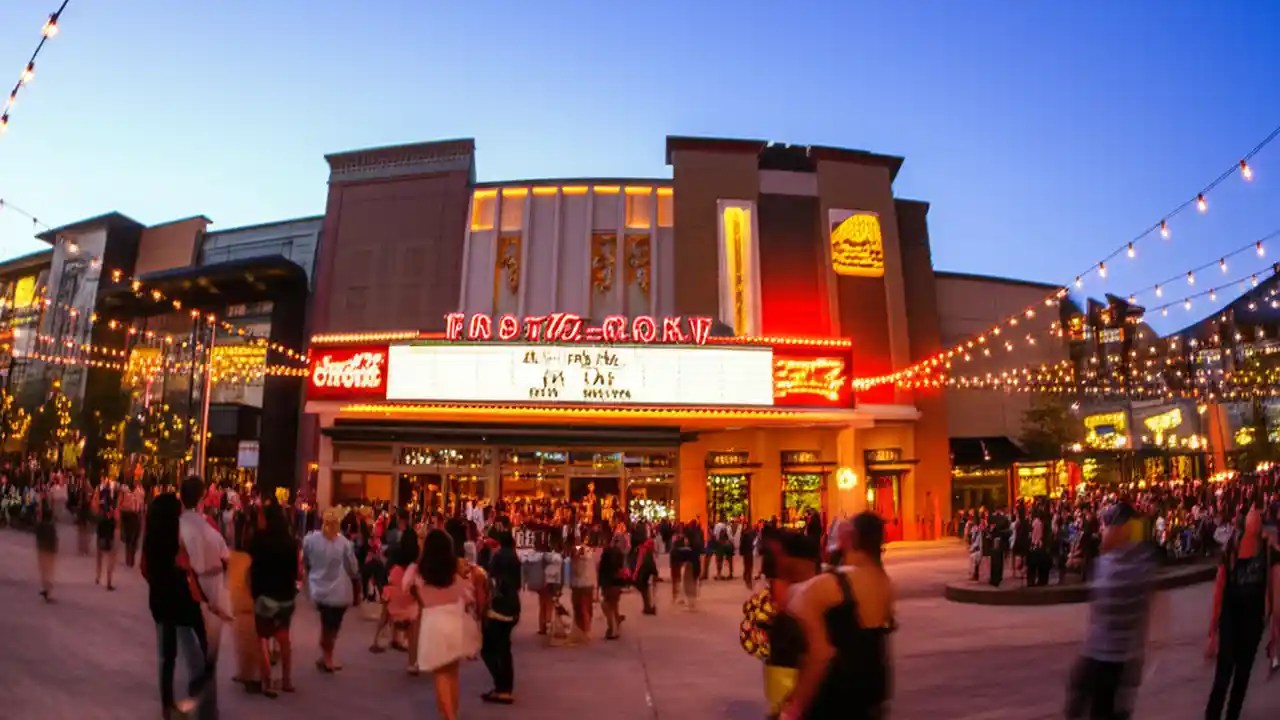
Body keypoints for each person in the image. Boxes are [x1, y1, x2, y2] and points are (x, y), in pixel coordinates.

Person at [782, 512, 894, 720]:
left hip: (835, 697)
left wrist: (794, 708)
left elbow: (821, 654)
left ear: (850, 537)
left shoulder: (830, 584)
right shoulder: (884, 582)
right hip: (872, 695)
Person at [1065, 501, 1164, 720]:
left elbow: (1102, 606)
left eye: (1109, 526)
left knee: (1096, 708)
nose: (1104, 530)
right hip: (1116, 657)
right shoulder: (1140, 562)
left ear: (1123, 529)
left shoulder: (1115, 565)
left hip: (1108, 658)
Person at [144, 492, 220, 720]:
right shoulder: (179, 535)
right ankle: (202, 701)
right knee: (203, 645)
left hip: (158, 598)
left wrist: (157, 582)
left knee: (166, 656)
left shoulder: (151, 537)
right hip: (181, 596)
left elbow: (144, 568)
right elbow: (187, 564)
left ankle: (167, 706)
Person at [1205, 500, 1272, 720]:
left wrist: (1273, 625)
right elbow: (1219, 589)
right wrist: (1213, 631)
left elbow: (1274, 589)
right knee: (1224, 676)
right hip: (1232, 618)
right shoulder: (1232, 548)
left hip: (1251, 621)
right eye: (1252, 512)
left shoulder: (1268, 549)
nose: (1256, 513)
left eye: (1258, 513)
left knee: (1240, 677)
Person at [411, 529, 472, 720]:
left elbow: (414, 593)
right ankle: (451, 714)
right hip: (455, 620)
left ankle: (449, 717)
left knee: (441, 675)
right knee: (453, 672)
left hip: (434, 623)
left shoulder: (420, 572)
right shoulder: (455, 572)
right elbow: (468, 596)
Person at [302, 506, 361, 673]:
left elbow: (306, 558)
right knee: (333, 625)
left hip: (319, 589)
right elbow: (353, 568)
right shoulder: (344, 544)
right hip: (339, 591)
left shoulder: (312, 540)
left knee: (326, 622)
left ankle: (325, 654)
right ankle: (328, 657)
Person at [249, 501, 298, 697]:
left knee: (262, 638)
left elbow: (253, 566)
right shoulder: (290, 541)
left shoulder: (259, 540)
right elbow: (295, 570)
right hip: (285, 596)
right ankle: (286, 680)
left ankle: (267, 680)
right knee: (284, 638)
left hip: (264, 596)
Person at [482, 530, 521, 704]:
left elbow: (493, 581)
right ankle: (505, 687)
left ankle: (501, 685)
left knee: (489, 648)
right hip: (513, 605)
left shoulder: (498, 557)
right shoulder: (514, 557)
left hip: (499, 606)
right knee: (504, 647)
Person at [227, 508, 263, 694]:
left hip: (245, 603)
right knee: (246, 637)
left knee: (246, 636)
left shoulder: (239, 557)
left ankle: (251, 675)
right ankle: (248, 673)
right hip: (250, 602)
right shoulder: (247, 553)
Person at [598, 533, 628, 639]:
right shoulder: (619, 552)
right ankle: (616, 623)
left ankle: (612, 628)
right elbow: (621, 566)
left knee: (606, 604)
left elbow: (602, 568)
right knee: (614, 604)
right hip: (617, 581)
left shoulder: (606, 553)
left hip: (608, 581)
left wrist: (599, 583)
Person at [35, 483, 58, 602]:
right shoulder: (47, 506)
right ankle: (47, 589)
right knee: (47, 566)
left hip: (45, 536)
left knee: (45, 565)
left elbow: (39, 518)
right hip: (48, 536)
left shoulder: (43, 507)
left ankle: (47, 589)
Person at [96, 480, 119, 591]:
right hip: (109, 531)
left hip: (101, 529)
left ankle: (98, 576)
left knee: (100, 554)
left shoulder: (100, 504)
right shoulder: (111, 504)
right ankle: (108, 581)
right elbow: (113, 516)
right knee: (110, 557)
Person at [119, 479, 145, 568]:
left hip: (136, 515)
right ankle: (129, 559)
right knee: (129, 537)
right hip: (127, 514)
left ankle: (131, 558)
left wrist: (142, 514)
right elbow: (119, 503)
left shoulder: (140, 490)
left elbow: (142, 503)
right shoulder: (124, 489)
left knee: (135, 537)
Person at [740, 520, 758, 589]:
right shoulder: (748, 533)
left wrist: (741, 551)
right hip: (748, 551)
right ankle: (748, 578)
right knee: (749, 566)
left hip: (747, 551)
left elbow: (742, 543)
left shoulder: (746, 533)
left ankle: (747, 577)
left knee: (747, 565)